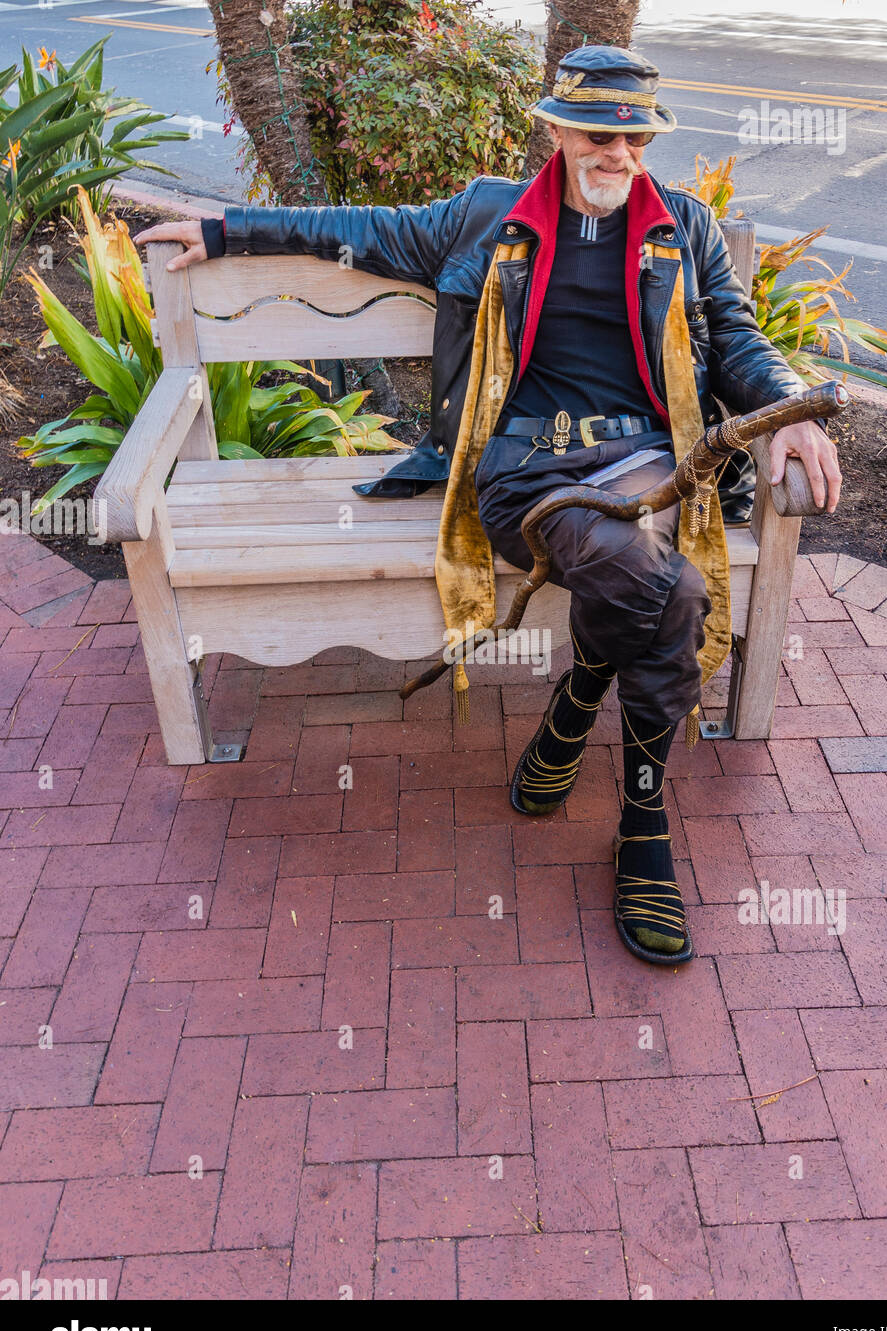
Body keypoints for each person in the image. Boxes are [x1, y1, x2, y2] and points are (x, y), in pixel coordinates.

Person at [136, 44, 841, 967]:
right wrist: (227, 235)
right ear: (553, 131)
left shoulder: (685, 229)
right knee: (656, 586)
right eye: (596, 132)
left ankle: (588, 729)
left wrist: (784, 412)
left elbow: (738, 340)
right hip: (522, 469)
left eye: (633, 136)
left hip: (646, 461)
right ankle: (640, 817)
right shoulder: (484, 217)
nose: (616, 153)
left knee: (646, 577)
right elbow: (358, 226)